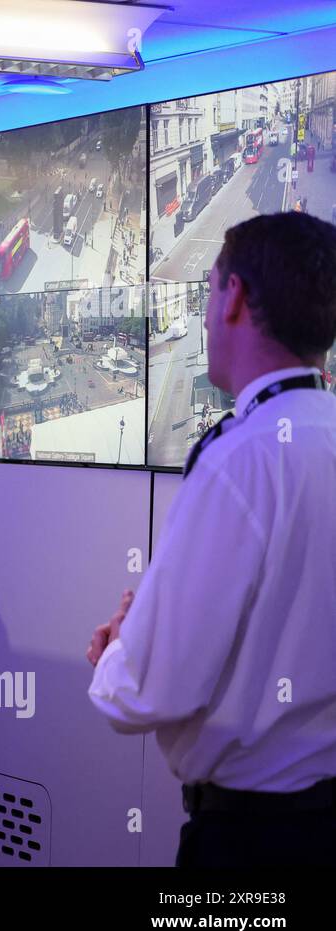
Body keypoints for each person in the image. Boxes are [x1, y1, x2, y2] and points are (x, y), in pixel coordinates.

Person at [87, 212, 336, 866]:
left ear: (234, 299)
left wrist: (120, 653)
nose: (201, 316)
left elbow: (152, 690)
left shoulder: (241, 460)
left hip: (252, 842)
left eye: (207, 291)